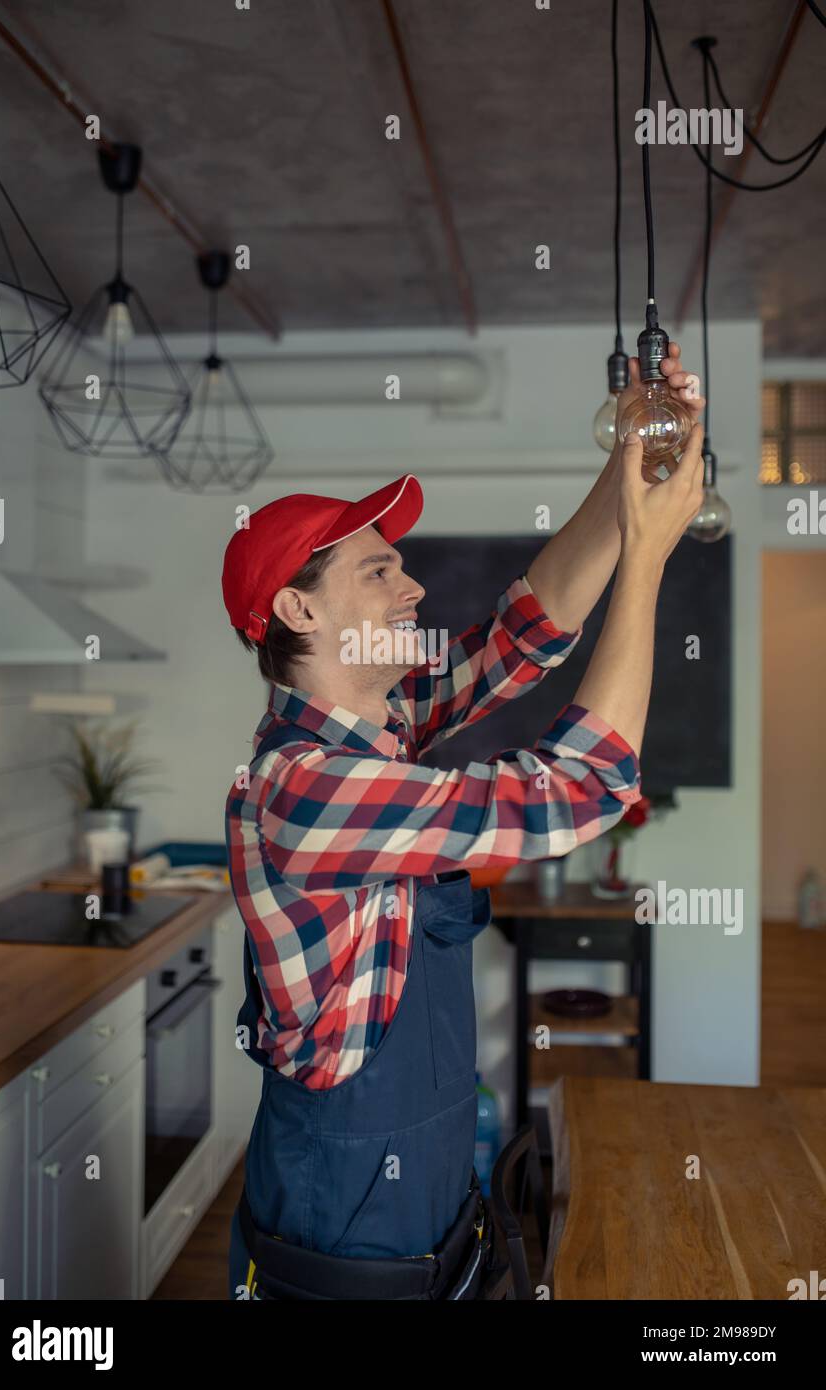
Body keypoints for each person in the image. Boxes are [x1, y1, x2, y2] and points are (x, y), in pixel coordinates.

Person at [221, 347, 705, 1300]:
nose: (413, 591)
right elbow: (583, 788)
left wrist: (632, 463)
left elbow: (529, 629)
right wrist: (648, 558)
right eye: (380, 571)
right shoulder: (305, 788)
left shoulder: (382, 734)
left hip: (425, 1185)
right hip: (345, 1219)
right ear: (294, 609)